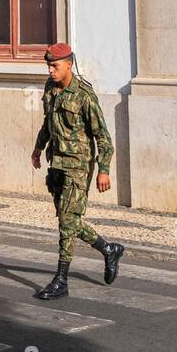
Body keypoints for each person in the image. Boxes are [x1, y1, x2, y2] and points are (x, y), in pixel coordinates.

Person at [31, 42, 125, 300]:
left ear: (69, 64)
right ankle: (108, 249)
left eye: (55, 65)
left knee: (66, 223)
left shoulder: (84, 94)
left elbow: (103, 137)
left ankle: (61, 279)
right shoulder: (50, 88)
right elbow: (47, 122)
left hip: (78, 167)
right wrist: (38, 148)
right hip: (57, 164)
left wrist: (104, 170)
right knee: (68, 220)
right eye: (49, 65)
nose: (51, 70)